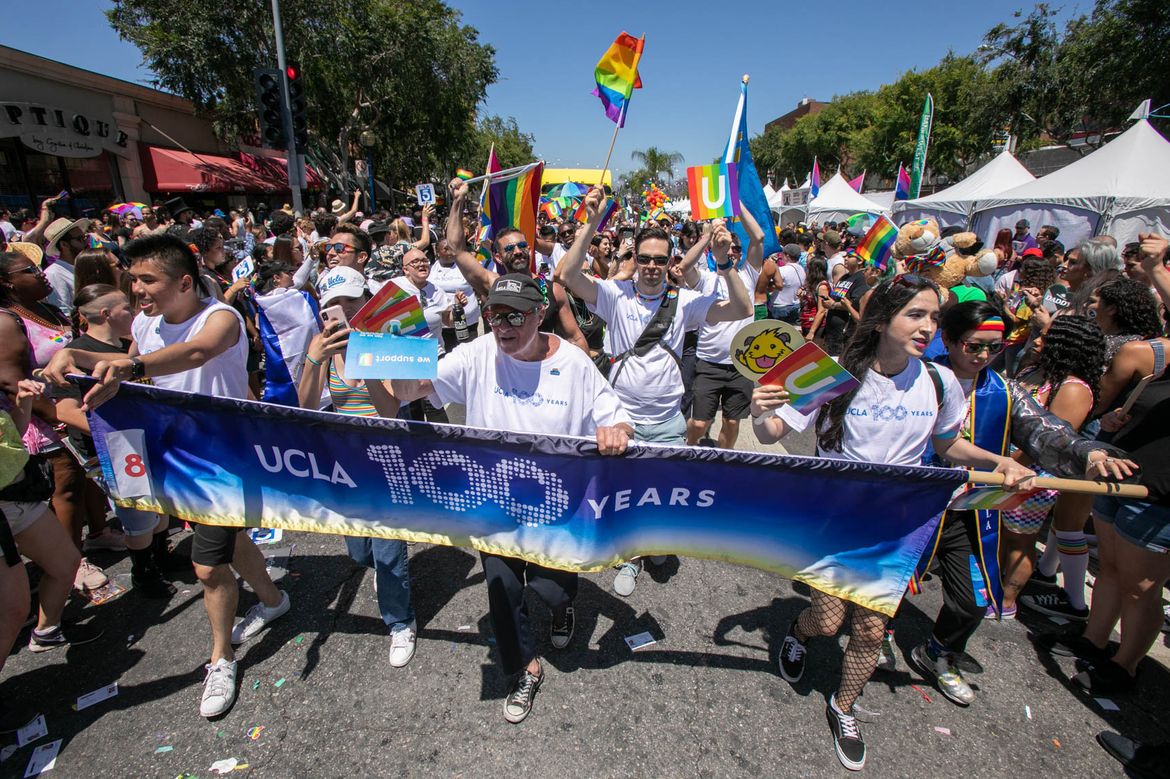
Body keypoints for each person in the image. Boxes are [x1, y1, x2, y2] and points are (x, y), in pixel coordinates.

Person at [750, 274, 1035, 771]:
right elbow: (773, 431)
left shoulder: (941, 381)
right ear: (882, 319)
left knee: (869, 629)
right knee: (828, 620)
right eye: (916, 315)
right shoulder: (829, 370)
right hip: (831, 523)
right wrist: (760, 408)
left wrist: (999, 462)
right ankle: (798, 631)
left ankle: (844, 706)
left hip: (895, 527)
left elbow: (948, 445)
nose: (928, 327)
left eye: (933, 317)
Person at [41, 233, 290, 718]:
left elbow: (196, 353)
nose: (137, 290)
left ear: (182, 281)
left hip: (224, 458)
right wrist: (73, 356)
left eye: (147, 279)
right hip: (174, 458)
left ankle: (220, 658)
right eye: (133, 279)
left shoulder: (221, 317)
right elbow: (131, 369)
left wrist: (128, 362)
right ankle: (274, 599)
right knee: (227, 541)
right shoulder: (145, 324)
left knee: (206, 565)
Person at [390, 273, 633, 724]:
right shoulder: (477, 354)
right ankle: (524, 667)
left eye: (513, 316)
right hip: (493, 503)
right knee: (502, 589)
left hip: (559, 505)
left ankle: (562, 610)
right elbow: (407, 392)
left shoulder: (576, 364)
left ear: (540, 315)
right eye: (493, 314)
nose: (501, 325)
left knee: (553, 587)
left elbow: (616, 418)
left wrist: (614, 431)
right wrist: (392, 344)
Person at [559, 187, 750, 596]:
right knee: (625, 494)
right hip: (621, 417)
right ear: (634, 260)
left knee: (660, 493)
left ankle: (655, 543)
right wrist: (591, 223)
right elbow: (568, 276)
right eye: (643, 258)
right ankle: (629, 556)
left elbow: (741, 310)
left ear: (670, 263)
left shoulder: (685, 302)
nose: (650, 266)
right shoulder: (614, 295)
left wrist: (725, 261)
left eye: (659, 260)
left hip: (667, 419)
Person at [297, 266, 417, 666]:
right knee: (359, 552)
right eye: (334, 305)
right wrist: (316, 359)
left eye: (350, 302)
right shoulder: (321, 345)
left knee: (385, 552)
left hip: (387, 459)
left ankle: (401, 622)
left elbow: (390, 408)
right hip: (346, 462)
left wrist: (363, 360)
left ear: (365, 303)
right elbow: (305, 407)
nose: (342, 311)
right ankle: (392, 563)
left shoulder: (382, 342)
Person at [53, 284, 176, 599]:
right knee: (137, 514)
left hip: (151, 438)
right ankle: (143, 572)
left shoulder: (130, 346)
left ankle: (163, 558)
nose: (133, 311)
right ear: (106, 314)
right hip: (118, 449)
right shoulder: (77, 352)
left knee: (160, 504)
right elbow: (65, 409)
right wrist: (114, 432)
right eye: (125, 307)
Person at [999, 316, 1108, 621]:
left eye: (1046, 338)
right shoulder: (1034, 369)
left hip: (1032, 474)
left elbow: (1048, 444)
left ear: (1066, 347)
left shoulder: (1073, 389)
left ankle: (1007, 599)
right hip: (1004, 464)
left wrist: (1008, 467)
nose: (1036, 341)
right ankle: (991, 586)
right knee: (998, 535)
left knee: (1019, 539)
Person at [444, 179, 589, 353]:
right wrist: (458, 200)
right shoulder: (494, 284)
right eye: (510, 249)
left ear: (529, 249)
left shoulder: (553, 289)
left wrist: (588, 376)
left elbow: (575, 338)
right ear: (497, 256)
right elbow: (457, 250)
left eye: (521, 246)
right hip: (504, 374)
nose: (518, 252)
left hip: (541, 372)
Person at [686, 205, 766, 450]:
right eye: (727, 246)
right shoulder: (706, 279)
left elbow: (759, 237)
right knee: (700, 423)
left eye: (736, 248)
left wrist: (736, 204)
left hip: (741, 365)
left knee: (732, 422)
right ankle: (687, 449)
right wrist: (707, 238)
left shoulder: (748, 276)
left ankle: (723, 461)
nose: (731, 250)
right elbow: (684, 268)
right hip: (709, 363)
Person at [771, 244, 806, 326]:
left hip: (780, 306)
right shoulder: (802, 269)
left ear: (787, 255)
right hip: (795, 305)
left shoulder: (782, 270)